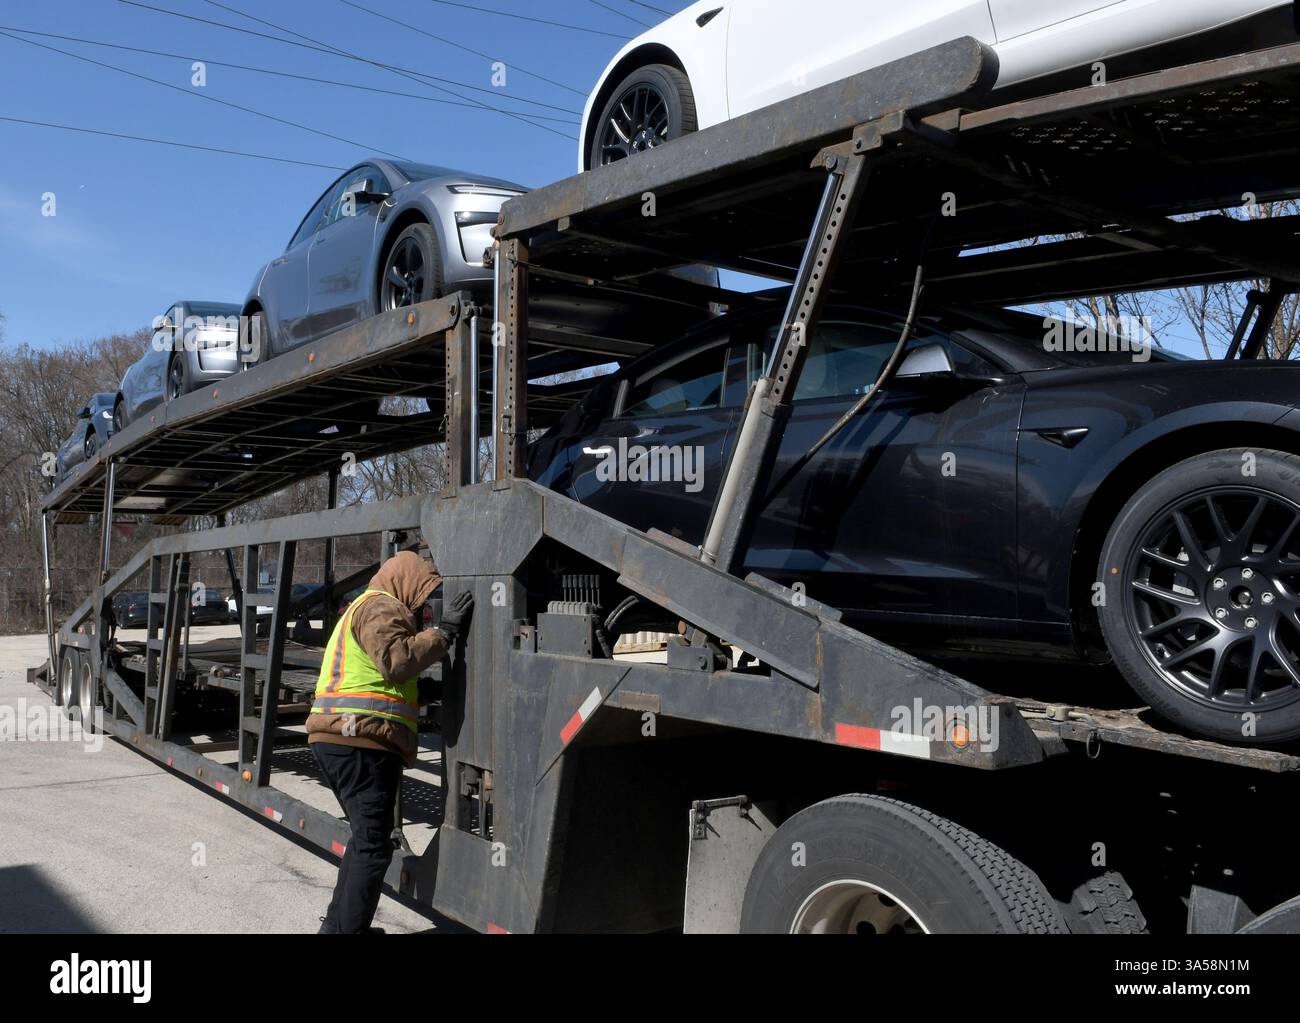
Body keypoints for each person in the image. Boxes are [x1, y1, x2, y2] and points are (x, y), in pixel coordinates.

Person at [307, 550, 473, 934]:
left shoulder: (362, 608)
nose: (421, 604)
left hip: (344, 738)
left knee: (366, 841)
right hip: (359, 741)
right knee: (373, 848)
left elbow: (385, 678)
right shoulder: (383, 606)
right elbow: (396, 662)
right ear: (406, 582)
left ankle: (337, 928)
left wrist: (426, 691)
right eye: (423, 591)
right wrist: (443, 634)